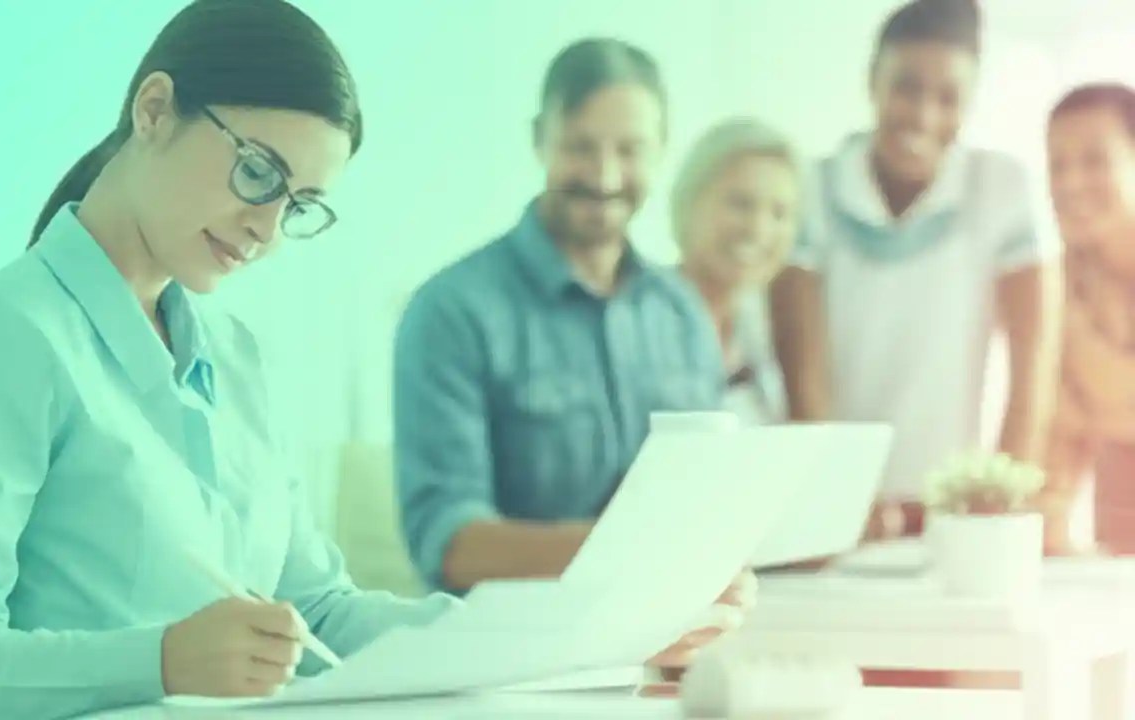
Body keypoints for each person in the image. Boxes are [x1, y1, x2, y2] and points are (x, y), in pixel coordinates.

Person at [0, 3, 457, 718]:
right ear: (154, 109)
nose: (268, 229)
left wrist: (533, 632)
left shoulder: (238, 357)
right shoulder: (1, 344)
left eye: (299, 204)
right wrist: (162, 660)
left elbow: (316, 611)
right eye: (258, 173)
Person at [391, 39, 753, 675]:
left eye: (630, 149)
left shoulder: (682, 313)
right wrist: (626, 554)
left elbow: (706, 504)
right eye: (581, 145)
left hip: (665, 659)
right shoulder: (451, 311)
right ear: (541, 139)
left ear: (661, 149)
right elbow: (447, 542)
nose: (606, 176)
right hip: (502, 673)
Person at [770, 0, 1062, 541]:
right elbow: (800, 367)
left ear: (972, 101)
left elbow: (1032, 370)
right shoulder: (809, 186)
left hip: (956, 514)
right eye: (906, 87)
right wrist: (837, 501)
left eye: (949, 98)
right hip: (840, 515)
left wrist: (997, 505)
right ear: (871, 81)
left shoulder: (1003, 188)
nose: (924, 116)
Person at [1042, 83, 1135, 555]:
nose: (1069, 183)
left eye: (1095, 161)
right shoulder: (1059, 288)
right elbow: (1056, 444)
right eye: (1057, 165)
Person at [673, 118, 800, 425]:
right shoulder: (645, 317)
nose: (759, 230)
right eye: (741, 204)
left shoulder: (763, 324)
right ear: (690, 202)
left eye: (779, 213)